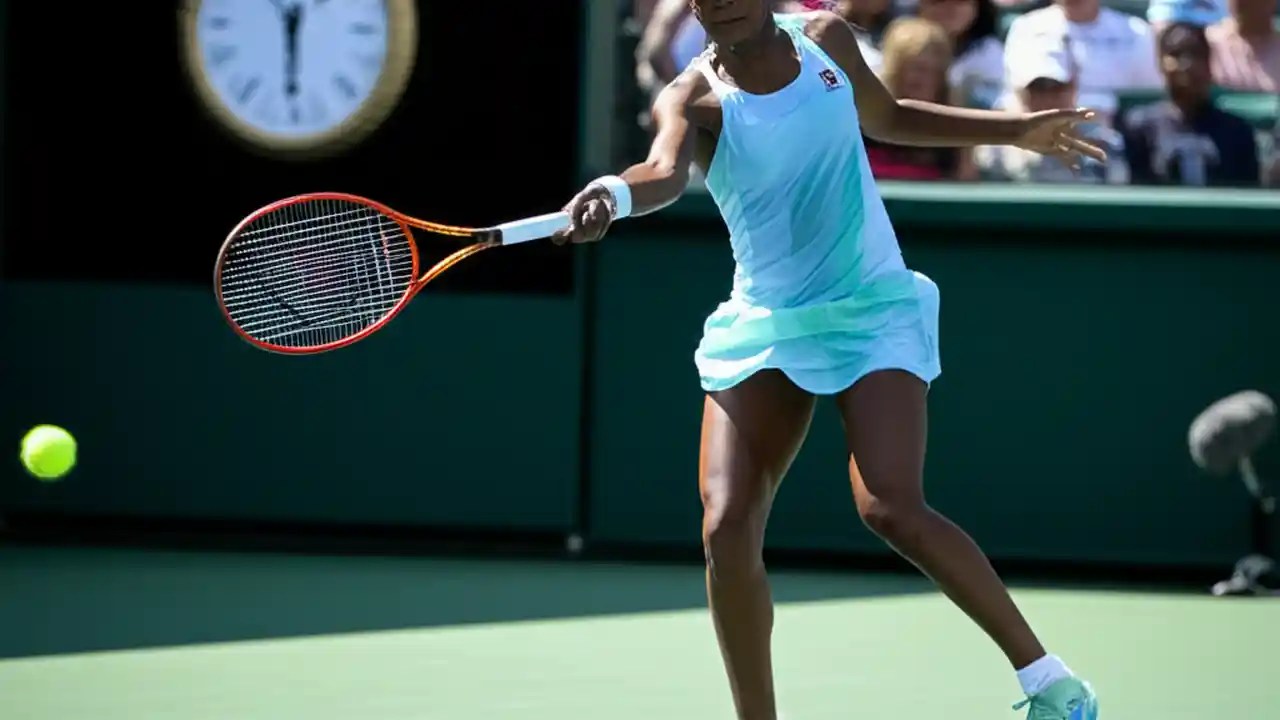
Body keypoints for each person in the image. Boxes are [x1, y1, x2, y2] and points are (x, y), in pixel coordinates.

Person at [554, 2, 1104, 718]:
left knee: (890, 506)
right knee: (725, 526)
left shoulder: (823, 38)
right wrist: (614, 193)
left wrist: (1017, 130)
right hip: (771, 322)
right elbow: (661, 170)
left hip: (870, 303)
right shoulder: (691, 97)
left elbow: (888, 114)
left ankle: (1051, 682)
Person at [1120, 22, 1261, 186]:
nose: (1186, 64)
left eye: (1196, 54)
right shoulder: (1139, 127)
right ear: (1160, 63)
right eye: (1176, 54)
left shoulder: (1237, 131)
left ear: (1209, 65)